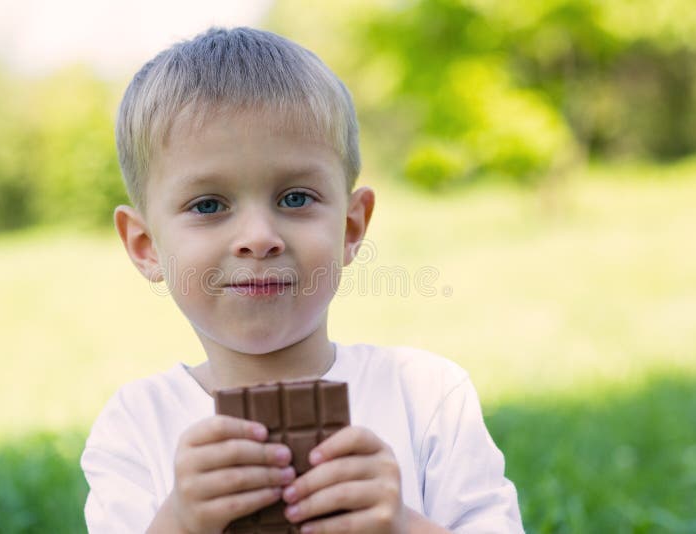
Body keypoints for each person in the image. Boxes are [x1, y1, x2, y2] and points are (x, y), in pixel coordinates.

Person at [80, 26, 524, 534]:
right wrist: (178, 523)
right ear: (145, 246)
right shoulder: (135, 427)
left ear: (351, 227)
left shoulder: (427, 398)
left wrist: (402, 525)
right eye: (208, 205)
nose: (259, 237)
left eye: (295, 198)